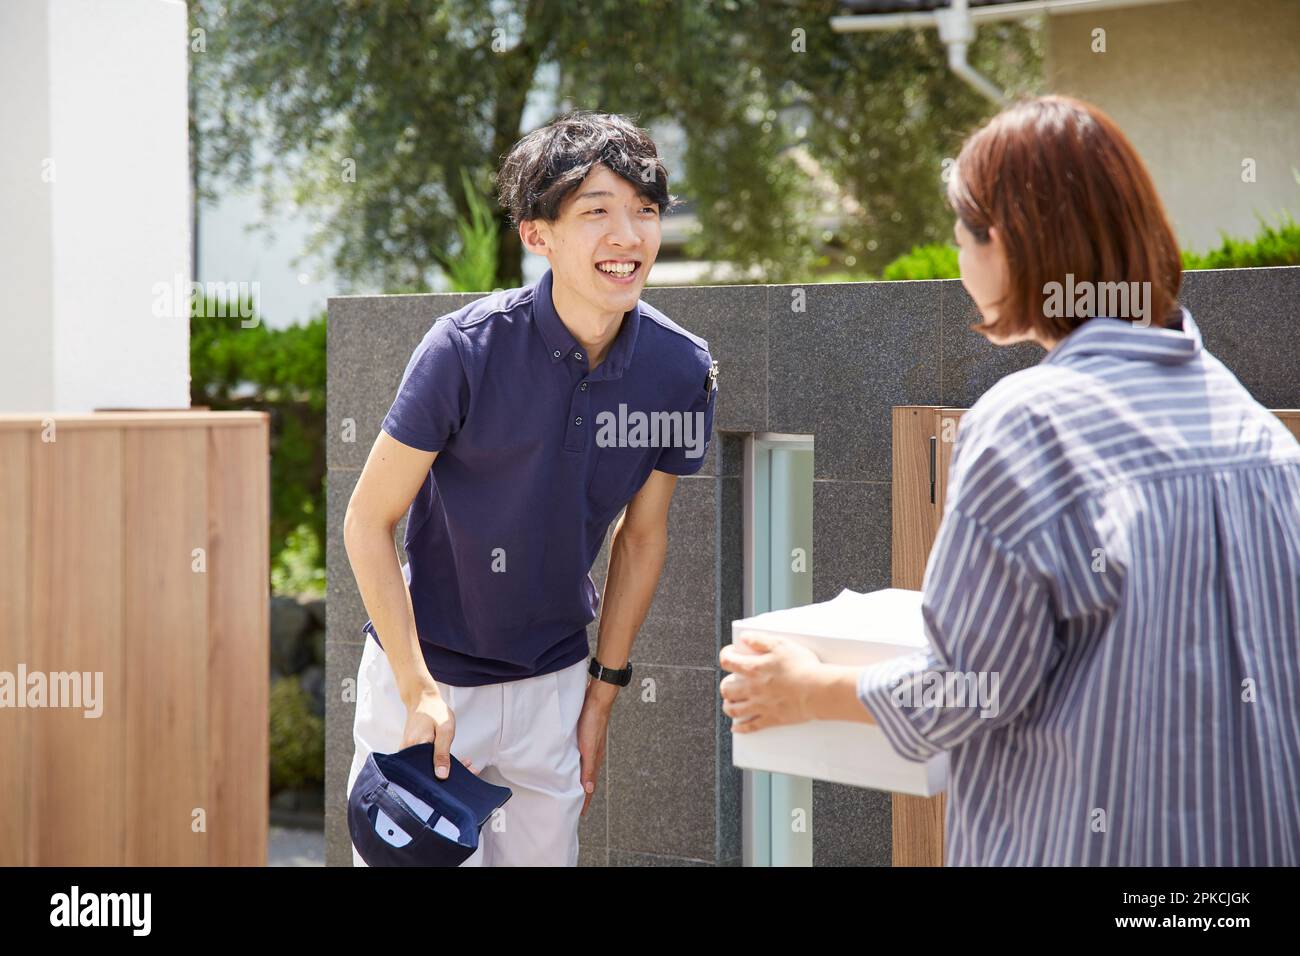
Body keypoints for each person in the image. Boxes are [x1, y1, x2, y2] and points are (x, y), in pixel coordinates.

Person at [719, 95, 1300, 866]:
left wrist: (806, 686)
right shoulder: (1261, 438)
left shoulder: (1029, 423)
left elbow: (965, 690)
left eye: (963, 233)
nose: (959, 258)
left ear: (1013, 245)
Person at [346, 111, 718, 866]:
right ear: (536, 235)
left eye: (644, 211)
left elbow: (642, 537)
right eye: (597, 211)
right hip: (430, 681)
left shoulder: (682, 371)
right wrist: (416, 688)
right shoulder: (463, 350)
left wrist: (602, 693)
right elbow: (366, 520)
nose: (629, 236)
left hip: (554, 684)